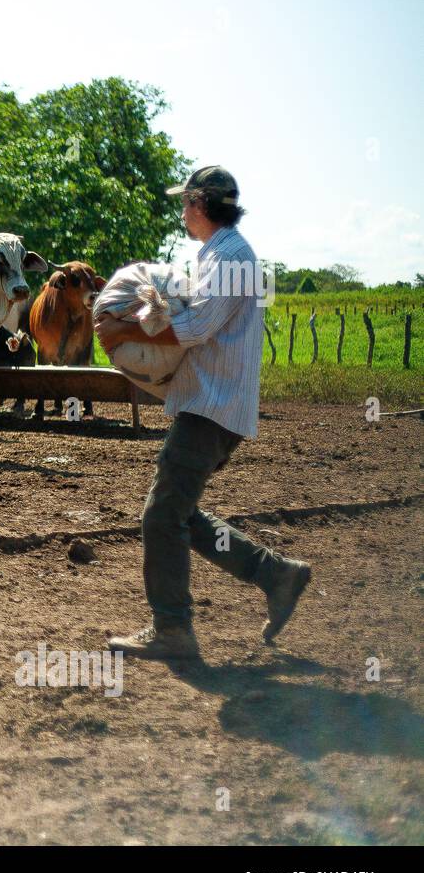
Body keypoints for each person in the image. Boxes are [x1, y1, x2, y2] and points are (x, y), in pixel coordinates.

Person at [96, 165, 311, 659]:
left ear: (198, 203)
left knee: (161, 516)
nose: (181, 213)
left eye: (185, 203)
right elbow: (189, 319)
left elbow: (195, 327)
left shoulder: (233, 256)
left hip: (213, 405)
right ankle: (276, 575)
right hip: (209, 401)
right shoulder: (218, 253)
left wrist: (126, 331)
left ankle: (173, 630)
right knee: (180, 513)